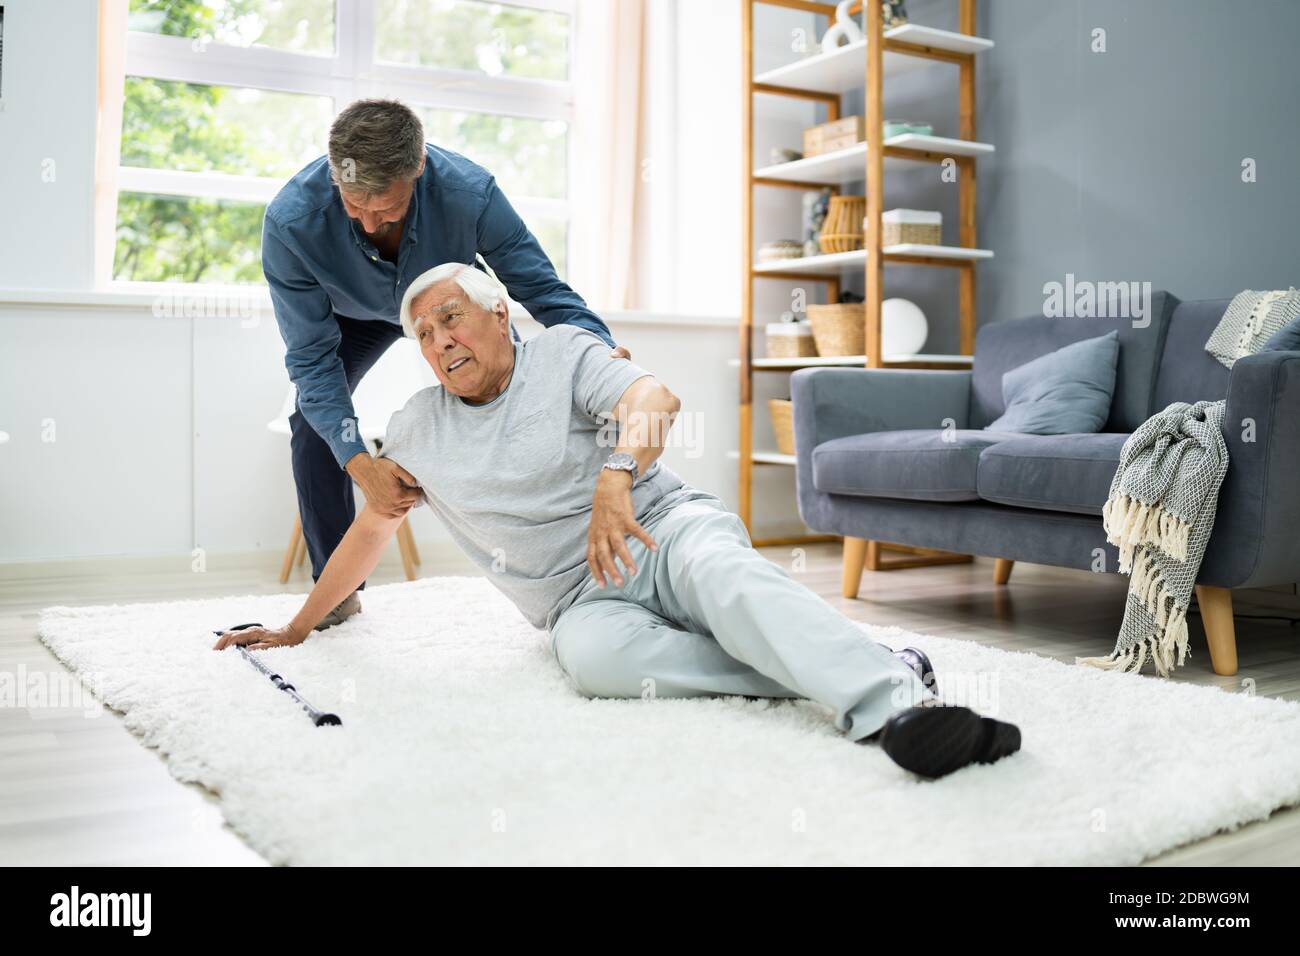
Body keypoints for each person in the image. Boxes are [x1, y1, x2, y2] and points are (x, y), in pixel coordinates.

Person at [217, 263, 1022, 779]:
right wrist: (296, 628)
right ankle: (878, 659)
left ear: (501, 316)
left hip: (660, 533)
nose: (439, 341)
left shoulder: (562, 352)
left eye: (452, 318)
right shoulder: (420, 427)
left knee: (724, 582)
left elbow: (652, 398)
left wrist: (615, 476)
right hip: (580, 602)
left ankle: (895, 712)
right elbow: (371, 530)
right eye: (422, 334)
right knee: (599, 664)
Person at [262, 98, 628, 629]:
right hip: (354, 316)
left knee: (538, 390)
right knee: (311, 424)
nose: (367, 221)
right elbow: (312, 360)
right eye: (352, 203)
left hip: (444, 304)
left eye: (382, 207)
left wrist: (599, 352)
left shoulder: (469, 193)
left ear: (417, 168)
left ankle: (568, 550)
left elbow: (541, 289)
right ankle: (336, 593)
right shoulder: (291, 223)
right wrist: (361, 465)